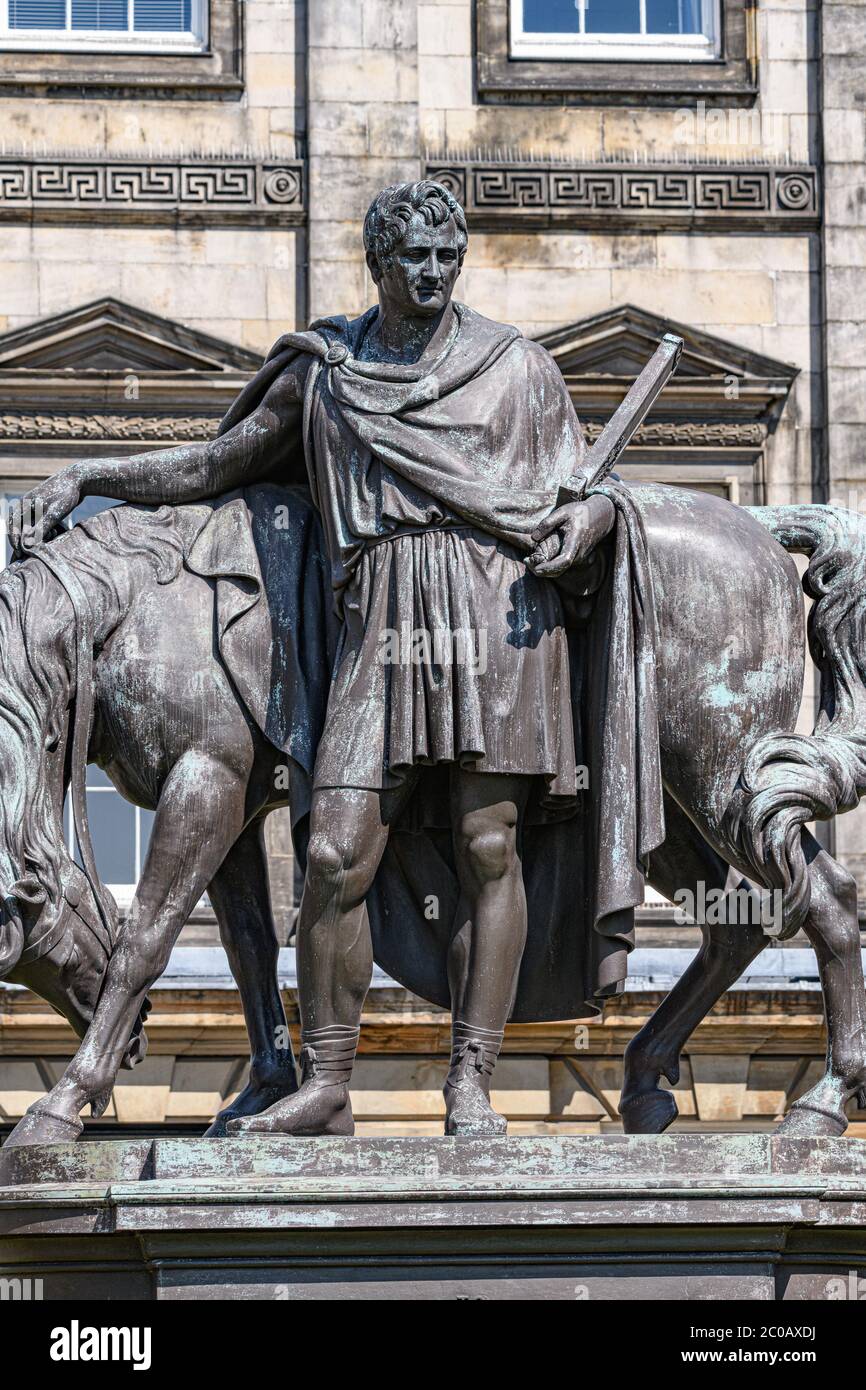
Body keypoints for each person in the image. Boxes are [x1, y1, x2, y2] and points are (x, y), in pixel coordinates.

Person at [11, 181, 623, 1137]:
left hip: (493, 612)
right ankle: (327, 1079)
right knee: (333, 851)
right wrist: (89, 474)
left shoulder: (519, 368)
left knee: (486, 845)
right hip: (379, 612)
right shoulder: (329, 373)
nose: (432, 273)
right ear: (377, 264)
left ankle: (470, 1082)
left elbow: (589, 490)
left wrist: (587, 521)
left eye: (447, 255)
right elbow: (213, 467)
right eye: (414, 257)